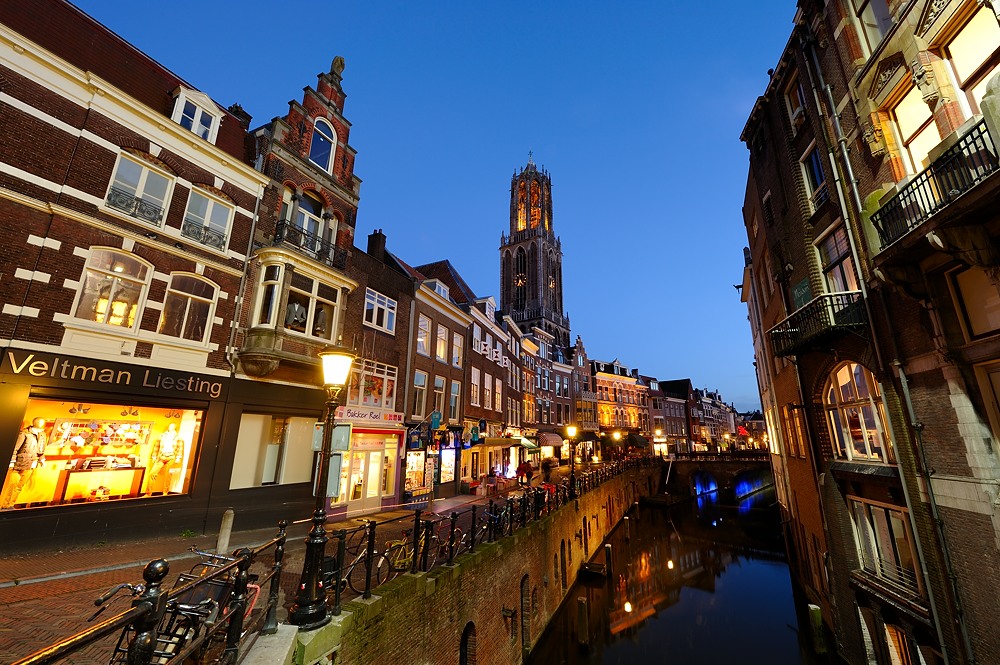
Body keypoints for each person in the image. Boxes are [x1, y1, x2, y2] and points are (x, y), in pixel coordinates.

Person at [1, 417, 48, 509]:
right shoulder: (24, 433)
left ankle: (11, 505)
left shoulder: (42, 435)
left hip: (31, 464)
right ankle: (5, 505)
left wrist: (42, 459)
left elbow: (41, 449)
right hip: (18, 464)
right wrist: (12, 462)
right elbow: (15, 448)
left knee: (19, 486)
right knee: (13, 485)